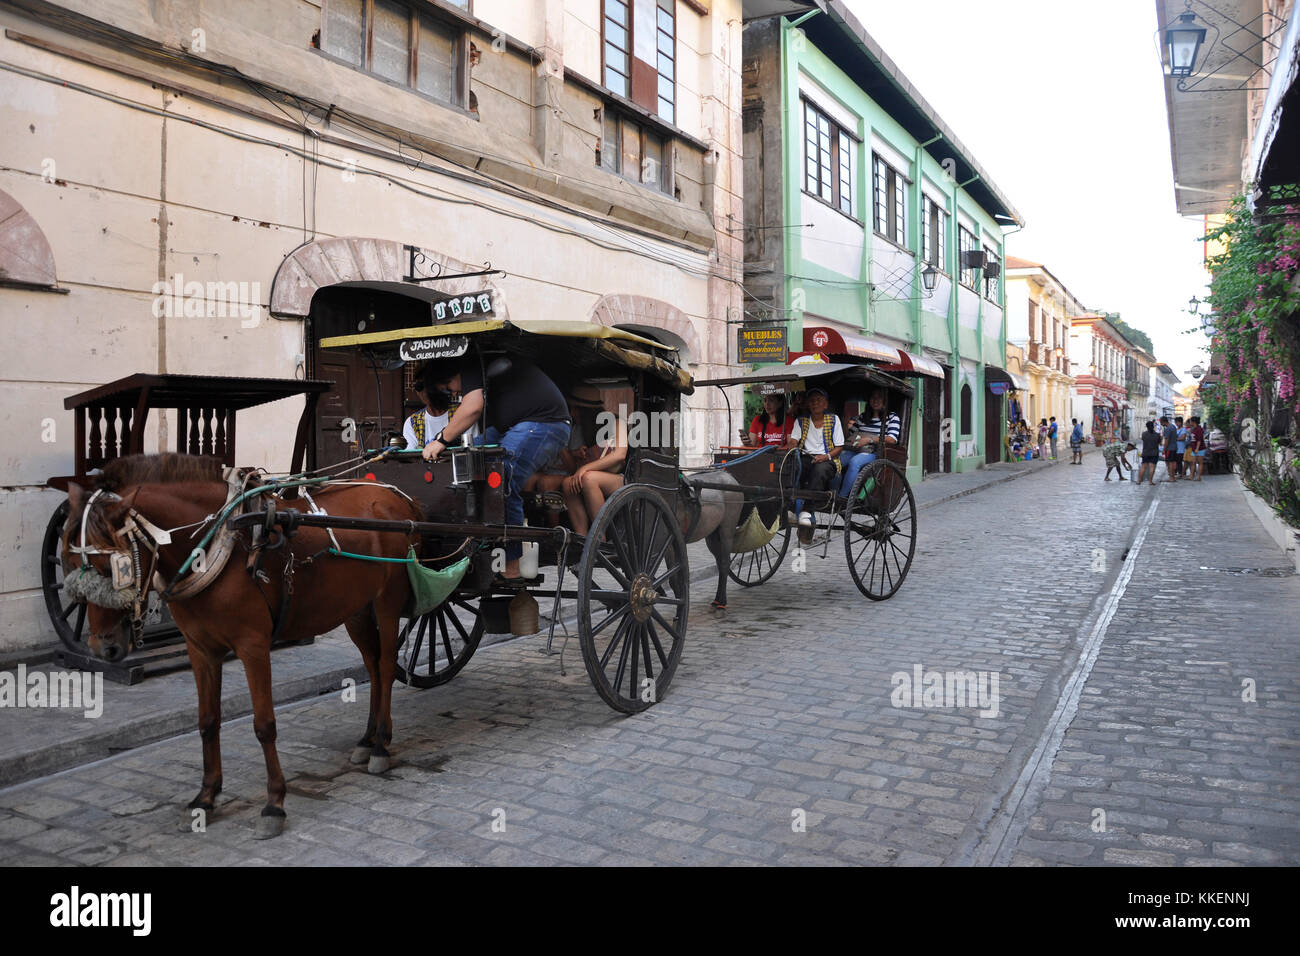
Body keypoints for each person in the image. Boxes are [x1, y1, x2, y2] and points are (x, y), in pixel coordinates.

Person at [419, 355, 571, 584]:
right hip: (509, 426)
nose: (452, 394)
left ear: (453, 375)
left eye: (448, 387)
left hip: (545, 422)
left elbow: (472, 408)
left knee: (501, 475)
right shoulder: (474, 370)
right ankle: (474, 541)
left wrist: (441, 440)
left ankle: (512, 565)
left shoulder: (469, 363)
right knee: (465, 458)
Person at [784, 387, 842, 528]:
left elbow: (839, 447)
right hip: (807, 457)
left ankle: (807, 509)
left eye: (819, 400)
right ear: (808, 405)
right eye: (812, 401)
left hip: (829, 459)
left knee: (820, 470)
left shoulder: (834, 420)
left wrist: (825, 457)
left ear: (825, 405)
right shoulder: (801, 421)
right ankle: (790, 504)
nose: (815, 403)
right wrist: (792, 443)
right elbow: (794, 440)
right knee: (793, 466)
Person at [562, 416, 628, 536]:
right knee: (568, 483)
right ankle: (581, 538)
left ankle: (599, 539)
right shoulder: (586, 425)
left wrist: (585, 468)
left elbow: (620, 454)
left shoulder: (618, 421)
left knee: (589, 479)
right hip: (596, 472)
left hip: (622, 477)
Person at [839, 387, 900, 496]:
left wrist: (869, 440)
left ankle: (842, 497)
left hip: (876, 453)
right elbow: (849, 436)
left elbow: (892, 439)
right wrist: (844, 424)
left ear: (885, 400)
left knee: (855, 462)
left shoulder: (892, 417)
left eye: (879, 397)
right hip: (856, 449)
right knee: (836, 463)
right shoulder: (863, 417)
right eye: (873, 397)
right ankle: (833, 493)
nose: (875, 400)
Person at [402, 374, 452, 450]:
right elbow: (411, 455)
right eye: (419, 387)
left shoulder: (461, 414)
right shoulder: (413, 422)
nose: (424, 392)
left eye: (429, 386)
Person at [1135, 420, 1161, 485]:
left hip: (1145, 453)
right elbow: (1159, 443)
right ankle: (1150, 481)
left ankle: (1139, 481)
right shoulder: (1157, 435)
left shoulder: (1144, 434)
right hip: (1154, 453)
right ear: (1153, 426)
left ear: (1146, 427)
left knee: (1143, 467)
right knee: (1152, 467)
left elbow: (1143, 440)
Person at [1161, 415, 1180, 482]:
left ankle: (1171, 477)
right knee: (1172, 462)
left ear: (1163, 422)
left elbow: (1167, 440)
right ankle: (1172, 477)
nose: (1161, 424)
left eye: (1161, 422)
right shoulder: (1173, 427)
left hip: (1169, 448)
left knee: (1170, 463)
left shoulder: (1168, 429)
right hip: (1174, 447)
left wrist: (1164, 449)